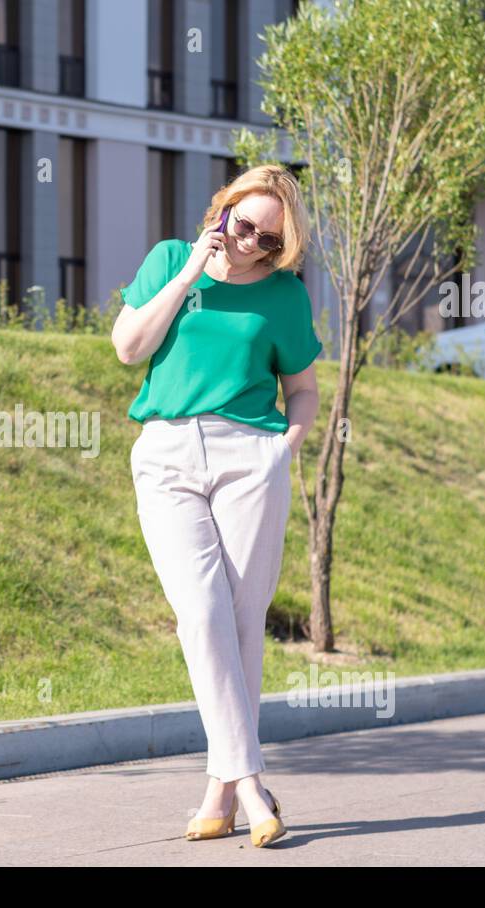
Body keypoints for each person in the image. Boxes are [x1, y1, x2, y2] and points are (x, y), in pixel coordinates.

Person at [110, 163, 322, 848]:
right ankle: (254, 787)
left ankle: (218, 792)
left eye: (269, 239)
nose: (251, 243)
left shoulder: (285, 297)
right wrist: (188, 276)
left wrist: (281, 451)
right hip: (168, 453)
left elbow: (305, 390)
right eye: (244, 225)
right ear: (222, 211)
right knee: (200, 614)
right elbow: (127, 348)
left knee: (238, 620)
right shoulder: (172, 259)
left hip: (249, 458)